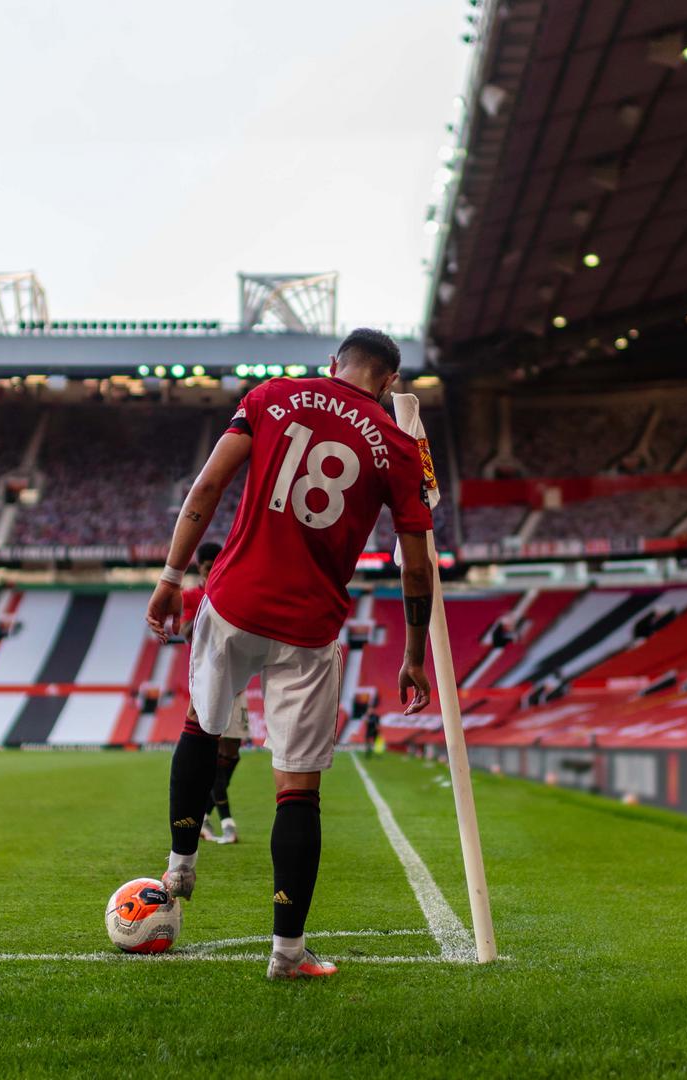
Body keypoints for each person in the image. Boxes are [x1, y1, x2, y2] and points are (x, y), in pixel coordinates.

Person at [145, 328, 435, 980]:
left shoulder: (273, 396)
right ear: (388, 381)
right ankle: (286, 954)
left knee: (202, 724)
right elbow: (414, 566)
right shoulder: (397, 446)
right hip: (310, 629)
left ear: (333, 365)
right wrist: (413, 653)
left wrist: (171, 576)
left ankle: (180, 863)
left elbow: (208, 486)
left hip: (232, 603)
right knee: (298, 791)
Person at [178, 542, 246, 846]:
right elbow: (185, 631)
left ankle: (204, 814)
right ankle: (227, 820)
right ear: (200, 568)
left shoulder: (235, 588)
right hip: (209, 678)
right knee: (213, 750)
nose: (208, 569)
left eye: (213, 564)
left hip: (239, 680)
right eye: (204, 566)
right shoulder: (194, 595)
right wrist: (211, 602)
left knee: (232, 752)